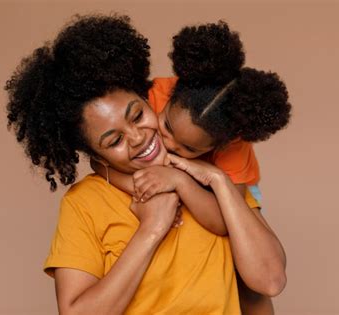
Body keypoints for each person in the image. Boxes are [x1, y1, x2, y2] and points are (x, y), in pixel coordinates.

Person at [5, 14, 286, 314]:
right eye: (114, 141)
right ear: (97, 157)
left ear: (147, 98)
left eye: (138, 115)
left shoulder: (209, 173)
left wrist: (213, 179)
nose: (138, 138)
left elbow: (267, 284)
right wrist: (152, 228)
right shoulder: (85, 203)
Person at [94, 21, 291, 314]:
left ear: (219, 145)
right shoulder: (150, 96)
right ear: (169, 97)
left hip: (230, 187)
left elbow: (224, 219)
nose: (171, 145)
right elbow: (99, 160)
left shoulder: (234, 147)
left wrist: (180, 181)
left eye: (190, 148)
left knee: (248, 278)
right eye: (167, 127)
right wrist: (152, 185)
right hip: (190, 179)